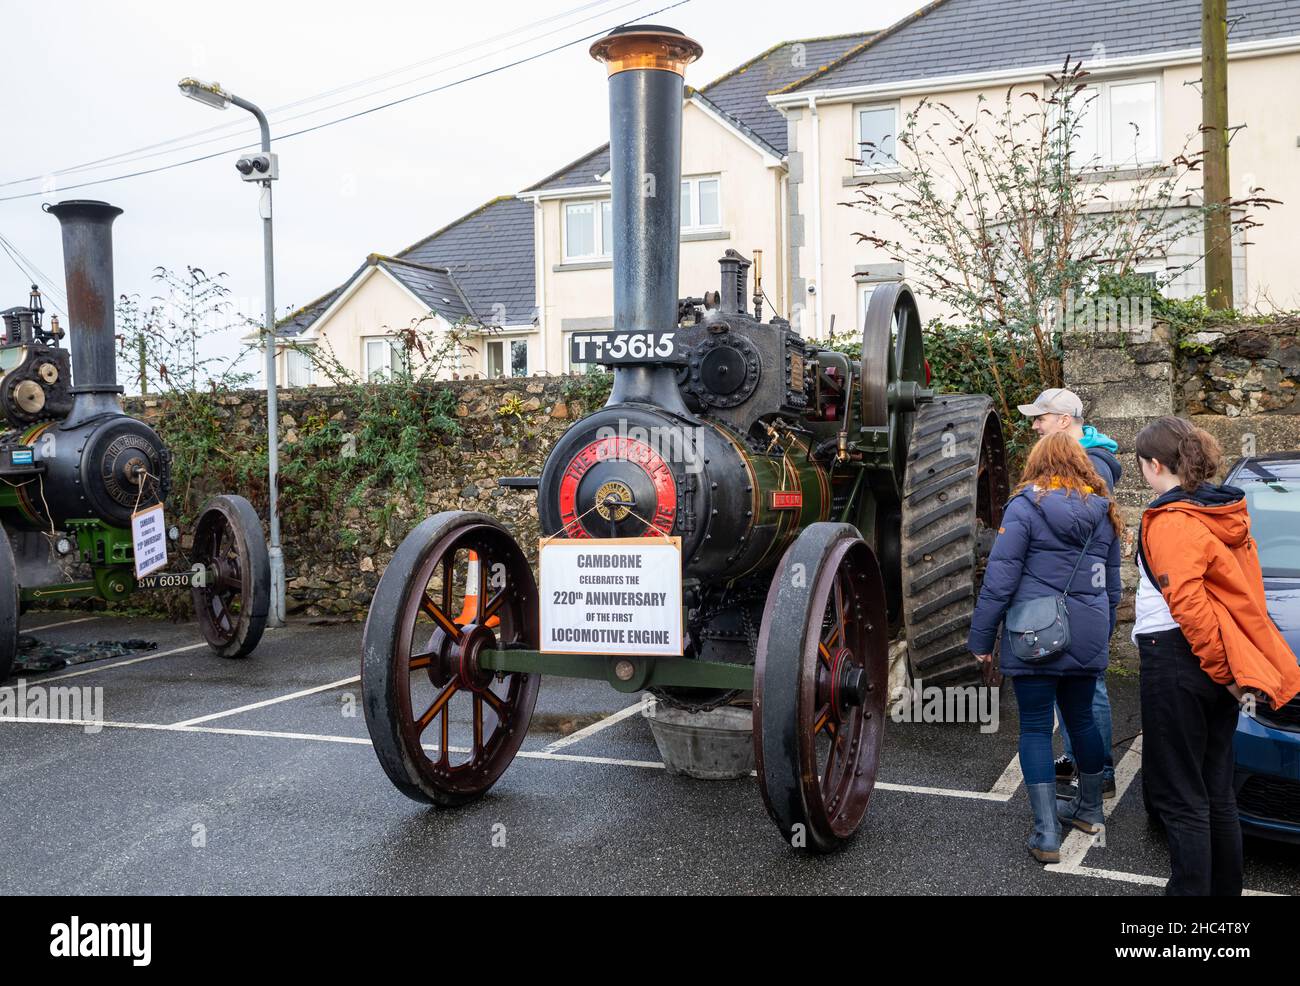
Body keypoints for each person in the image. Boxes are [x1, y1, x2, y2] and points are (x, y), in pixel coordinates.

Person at [1134, 416, 1300, 895]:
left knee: (1181, 795)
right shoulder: (1222, 508)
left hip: (1179, 660)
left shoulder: (1172, 519)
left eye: (1142, 463)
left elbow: (1188, 604)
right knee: (1216, 792)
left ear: (1154, 464)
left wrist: (1221, 670)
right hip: (1217, 659)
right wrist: (1230, 671)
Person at [968, 432, 1123, 863]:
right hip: (1088, 631)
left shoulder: (1025, 508)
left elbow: (1000, 580)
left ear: (1038, 463)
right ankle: (1090, 812)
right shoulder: (1104, 511)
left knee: (1036, 728)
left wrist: (982, 640)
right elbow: (1112, 588)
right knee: (1082, 723)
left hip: (1034, 632)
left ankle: (1047, 833)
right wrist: (1102, 634)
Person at [1017, 387, 1122, 796]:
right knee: (1075, 687)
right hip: (1077, 598)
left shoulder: (1092, 464)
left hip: (1073, 599)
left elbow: (1086, 537)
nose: (1035, 425)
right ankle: (1082, 759)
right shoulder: (1090, 459)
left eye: (1041, 418)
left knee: (1087, 688)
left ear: (1064, 421)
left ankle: (1104, 771)